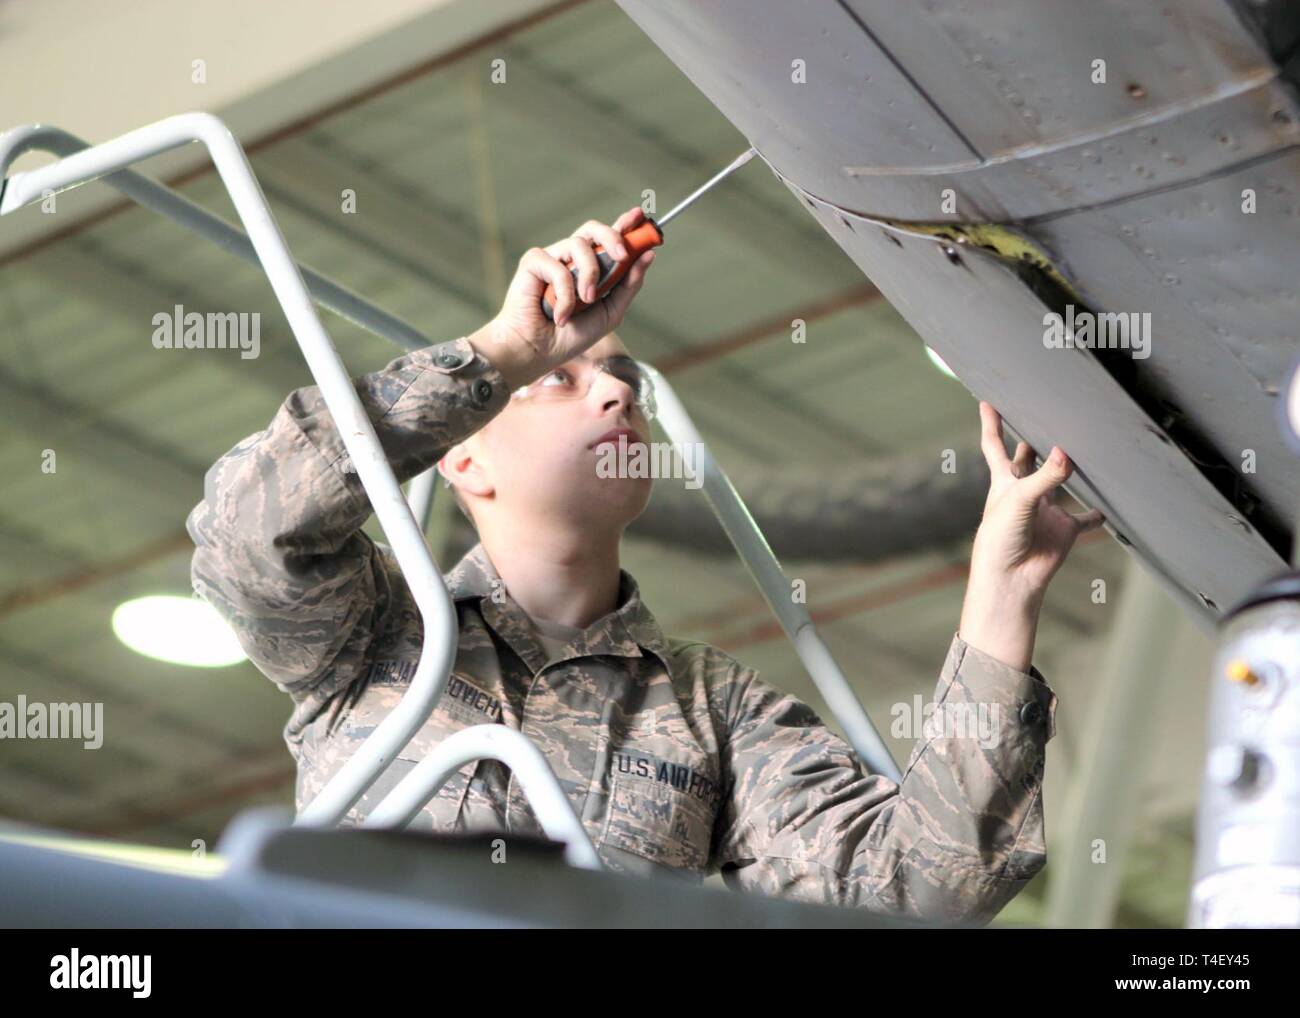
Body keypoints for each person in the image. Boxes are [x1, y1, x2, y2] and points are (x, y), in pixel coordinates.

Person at [187, 206, 1102, 925]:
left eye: (624, 377)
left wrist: (1000, 596)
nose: (620, 388)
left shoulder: (712, 710)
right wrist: (505, 353)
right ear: (462, 456)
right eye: (567, 379)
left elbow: (917, 893)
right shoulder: (380, 630)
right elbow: (248, 533)